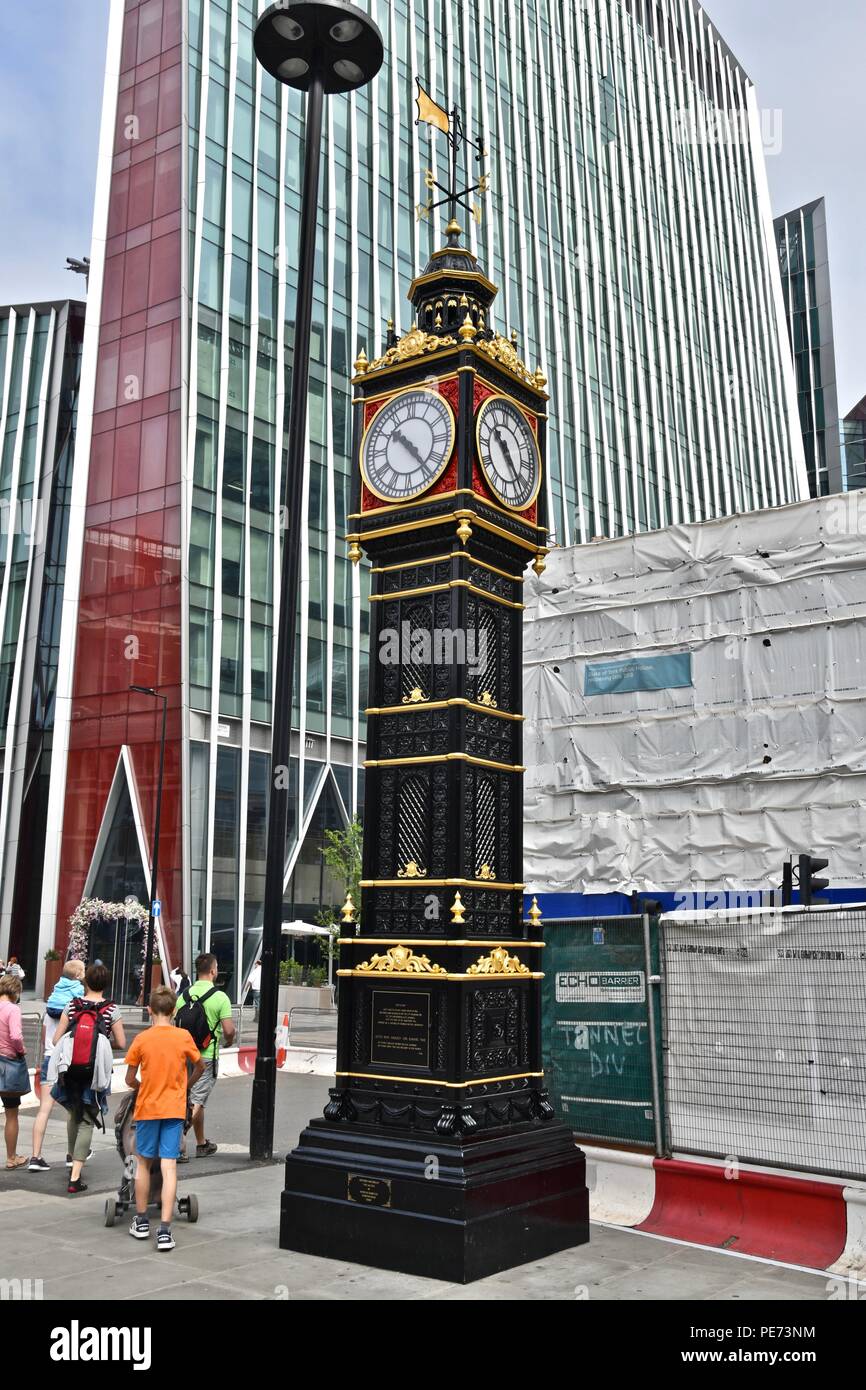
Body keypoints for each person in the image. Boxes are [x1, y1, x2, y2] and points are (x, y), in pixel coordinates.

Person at [124, 985, 202, 1251]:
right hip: (174, 1109)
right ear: (174, 1010)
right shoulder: (183, 1037)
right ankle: (166, 1229)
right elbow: (200, 1065)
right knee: (169, 1167)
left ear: (149, 1010)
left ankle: (142, 1220)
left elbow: (129, 1078)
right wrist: (185, 1085)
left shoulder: (142, 1040)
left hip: (147, 1110)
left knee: (143, 1164)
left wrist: (142, 1087)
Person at [50, 963, 126, 1194]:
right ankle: (74, 1177)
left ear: (85, 983)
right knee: (86, 1120)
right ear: (106, 984)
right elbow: (122, 1043)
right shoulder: (111, 1009)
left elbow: (56, 1040)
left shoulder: (72, 1005)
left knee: (74, 1115)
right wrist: (101, 1043)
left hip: (70, 1071)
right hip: (95, 1073)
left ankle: (73, 1160)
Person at [174, 953, 234, 1160]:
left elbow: (174, 1019)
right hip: (206, 1055)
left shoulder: (184, 994)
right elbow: (228, 1030)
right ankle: (175, 1141)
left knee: (191, 1097)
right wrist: (229, 1041)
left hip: (184, 1054)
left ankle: (201, 1143)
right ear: (213, 970)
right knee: (197, 1099)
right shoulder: (220, 997)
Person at [28, 960, 86, 1171]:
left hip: (48, 1057)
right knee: (74, 1108)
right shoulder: (77, 999)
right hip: (66, 1060)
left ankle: (35, 1157)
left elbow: (45, 1036)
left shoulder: (52, 998)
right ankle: (72, 1154)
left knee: (44, 1109)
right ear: (79, 975)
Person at [0, 972, 31, 1168]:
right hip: (8, 1064)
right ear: (15, 990)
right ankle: (11, 1158)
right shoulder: (12, 1009)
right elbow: (16, 1036)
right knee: (11, 1113)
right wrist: (22, 1050)